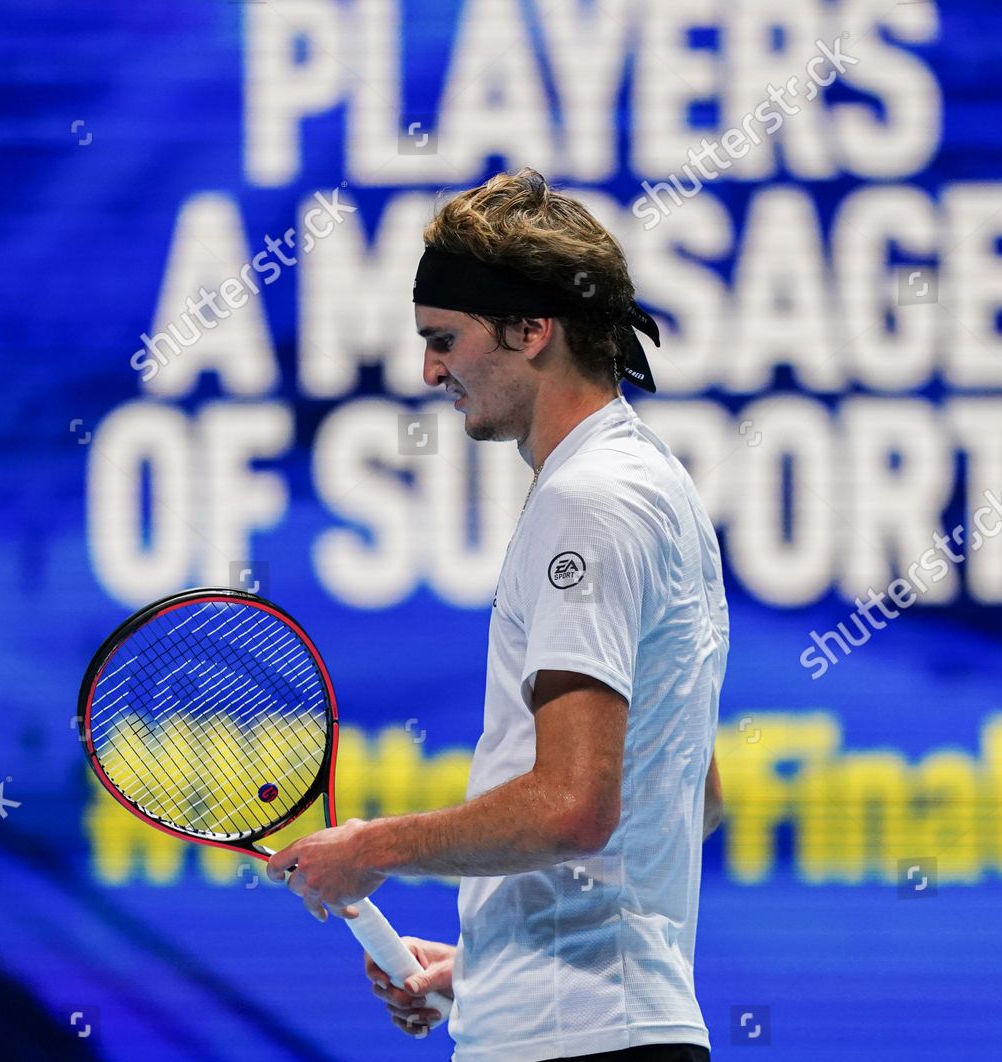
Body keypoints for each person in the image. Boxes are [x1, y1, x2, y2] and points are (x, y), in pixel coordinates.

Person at [268, 168, 730, 1062]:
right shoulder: (653, 485)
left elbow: (572, 809)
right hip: (599, 1027)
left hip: (576, 1045)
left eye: (444, 339)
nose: (430, 369)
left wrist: (373, 849)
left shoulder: (587, 504)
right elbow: (692, 797)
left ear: (531, 329)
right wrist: (492, 964)